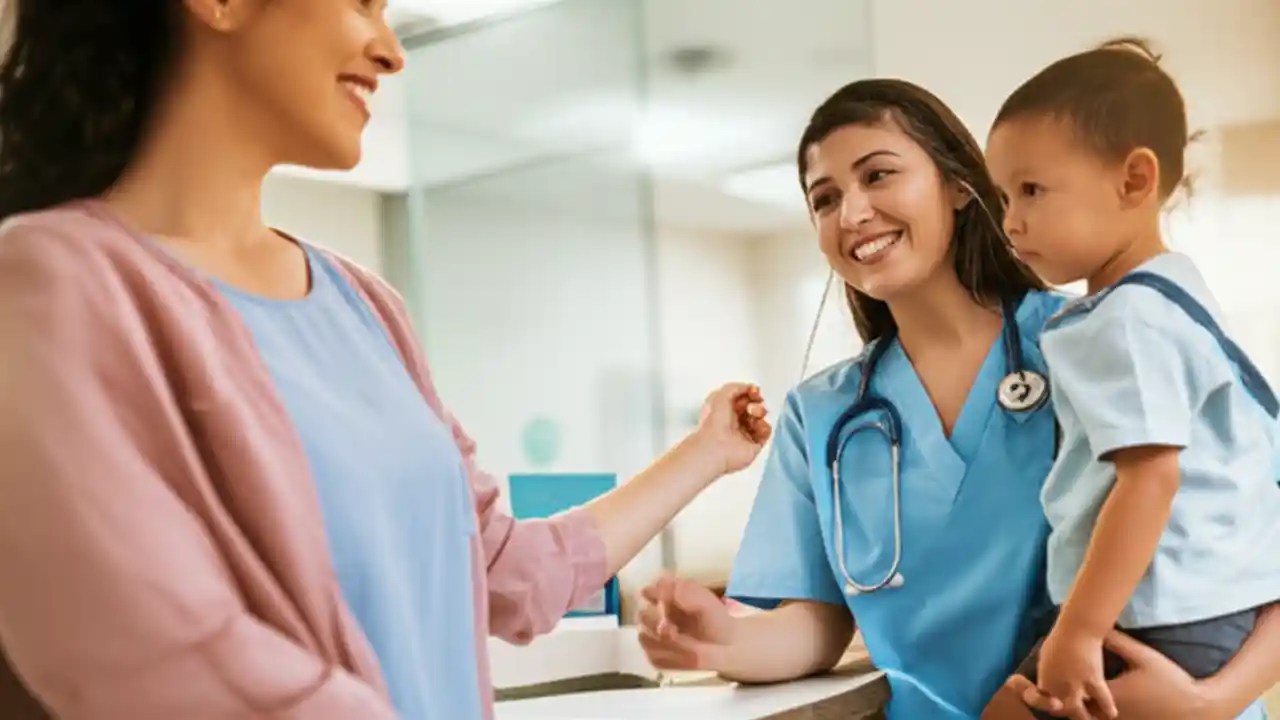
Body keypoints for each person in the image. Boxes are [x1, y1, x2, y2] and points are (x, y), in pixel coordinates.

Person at [0, 2, 772, 719]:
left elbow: (511, 572)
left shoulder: (365, 306)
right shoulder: (52, 281)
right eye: (361, 1)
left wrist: (708, 452)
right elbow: (159, 657)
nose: (392, 52)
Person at [636, 77, 1280, 720]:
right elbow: (817, 626)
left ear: (957, 185)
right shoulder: (823, 414)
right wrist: (722, 641)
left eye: (878, 175)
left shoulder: (1108, 340)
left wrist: (1212, 699)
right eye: (824, 199)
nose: (852, 213)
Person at [983, 38, 1280, 720]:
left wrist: (1078, 631)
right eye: (1004, 196)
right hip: (1212, 611)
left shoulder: (1124, 319)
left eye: (1032, 190)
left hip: (1162, 614)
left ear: (1135, 181)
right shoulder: (1182, 296)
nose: (1011, 222)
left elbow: (1149, 478)